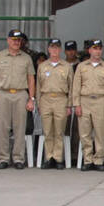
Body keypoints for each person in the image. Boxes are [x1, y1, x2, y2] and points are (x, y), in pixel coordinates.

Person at [0, 29, 35, 169]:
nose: (16, 42)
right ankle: (3, 158)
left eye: (18, 40)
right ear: (8, 40)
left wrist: (31, 99)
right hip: (3, 93)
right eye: (14, 40)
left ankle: (18, 158)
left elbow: (31, 79)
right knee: (3, 127)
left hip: (21, 94)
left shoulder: (26, 58)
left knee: (20, 127)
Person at [72, 38, 104, 171]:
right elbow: (76, 87)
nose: (97, 51)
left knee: (100, 132)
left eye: (99, 49)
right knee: (84, 133)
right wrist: (76, 105)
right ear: (89, 50)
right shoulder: (81, 66)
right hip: (85, 100)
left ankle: (99, 160)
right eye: (95, 49)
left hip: (100, 101)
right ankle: (87, 159)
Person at [36, 38, 72, 169]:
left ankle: (58, 158)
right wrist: (39, 103)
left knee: (59, 130)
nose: (55, 50)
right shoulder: (42, 66)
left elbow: (71, 86)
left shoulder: (67, 66)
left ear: (60, 49)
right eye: (52, 47)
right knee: (47, 130)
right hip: (46, 98)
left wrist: (69, 104)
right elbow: (38, 86)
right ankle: (48, 157)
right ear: (48, 49)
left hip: (61, 99)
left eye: (57, 47)